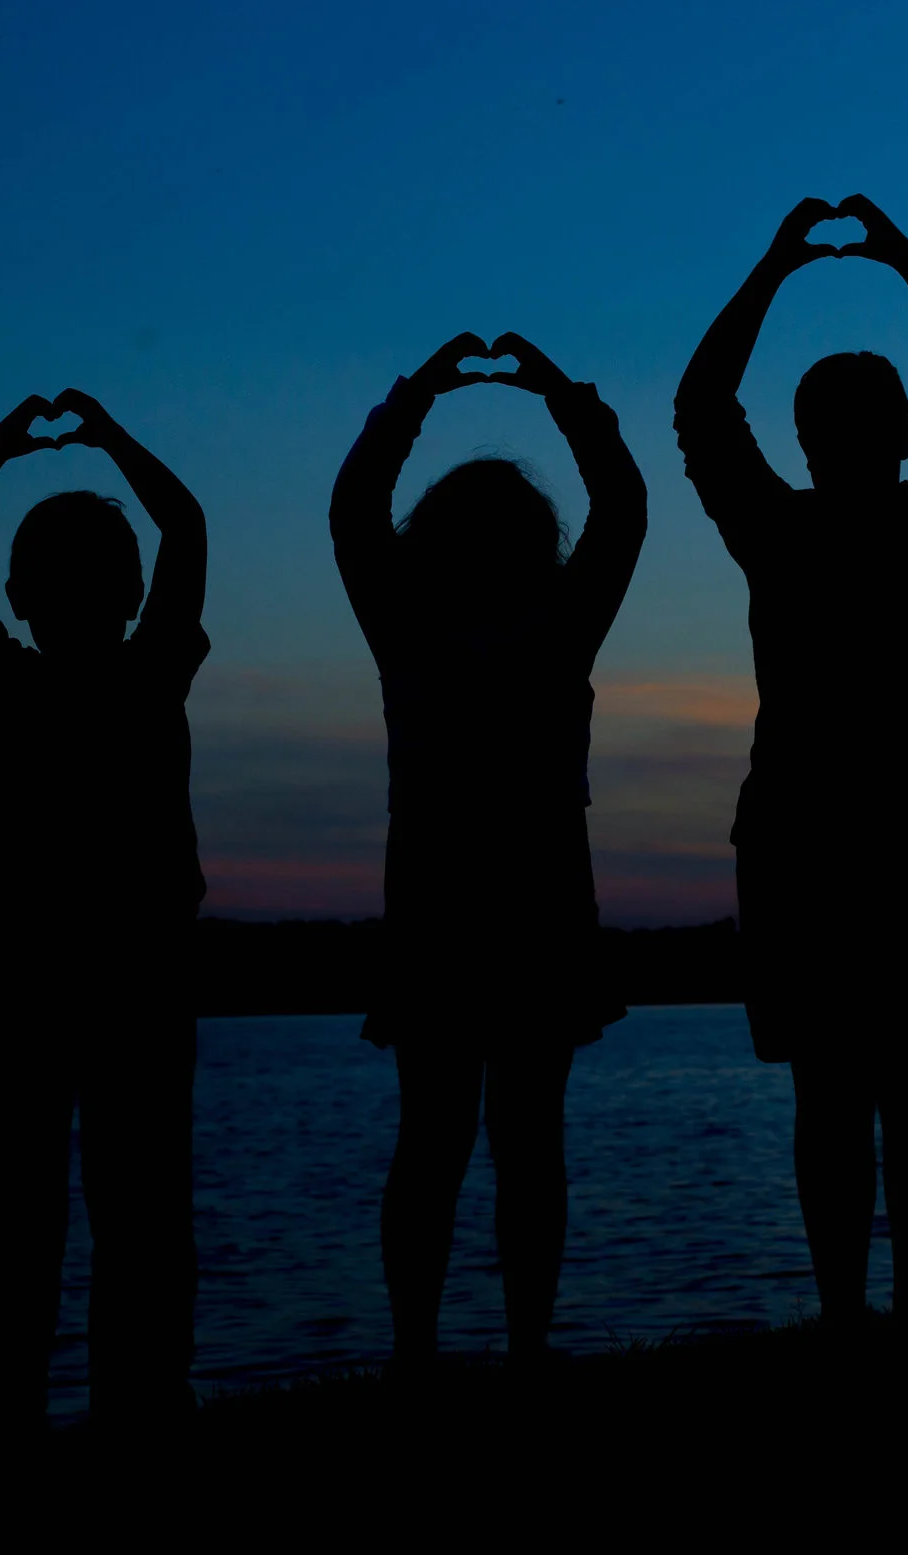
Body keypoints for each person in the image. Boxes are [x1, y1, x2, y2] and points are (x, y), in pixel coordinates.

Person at [674, 195, 908, 1322]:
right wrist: (895, 251)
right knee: (901, 1086)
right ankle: (895, 1308)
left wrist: (778, 264)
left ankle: (858, 1312)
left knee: (850, 1089)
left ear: (810, 438)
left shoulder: (795, 530)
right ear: (902, 434)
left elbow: (700, 405)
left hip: (835, 840)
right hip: (868, 839)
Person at [330, 331, 647, 1367]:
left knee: (445, 1140)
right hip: (512, 912)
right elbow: (622, 505)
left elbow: (353, 510)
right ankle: (508, 1346)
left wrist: (417, 393)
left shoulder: (428, 627)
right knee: (511, 1143)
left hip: (461, 912)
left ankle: (432, 1349)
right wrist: (560, 392)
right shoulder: (545, 626)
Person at [0, 387, 209, 1438]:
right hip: (109, 973)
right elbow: (186, 525)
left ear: (18, 592)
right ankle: (134, 1406)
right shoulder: (147, 670)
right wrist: (109, 435)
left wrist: (3, 442)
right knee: (134, 1210)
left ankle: (8, 1419)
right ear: (130, 593)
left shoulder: (10, 678)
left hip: (54, 974)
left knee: (20, 1214)